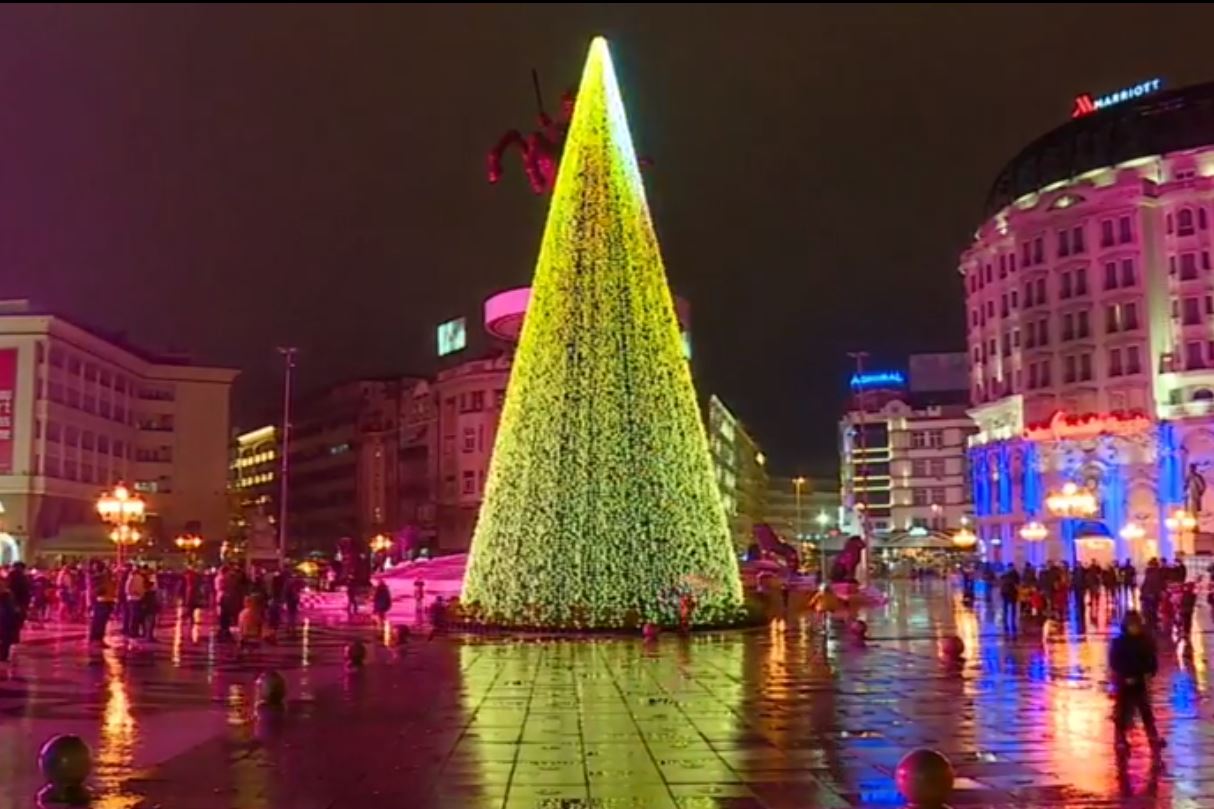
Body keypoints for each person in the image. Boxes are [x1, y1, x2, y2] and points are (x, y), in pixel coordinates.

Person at [1108, 611, 1165, 755]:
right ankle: (1120, 739)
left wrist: (1150, 672)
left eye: (1136, 625)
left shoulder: (1145, 641)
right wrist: (1124, 675)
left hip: (1140, 680)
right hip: (1125, 681)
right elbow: (1115, 661)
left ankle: (1153, 736)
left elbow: (1151, 659)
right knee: (1123, 711)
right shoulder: (1119, 642)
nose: (1134, 628)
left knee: (1145, 710)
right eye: (1131, 625)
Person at [1000, 567, 1020, 631]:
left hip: (1005, 593)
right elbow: (1017, 584)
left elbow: (1001, 583)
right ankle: (1012, 622)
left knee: (1005, 608)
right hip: (1012, 594)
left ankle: (1005, 622)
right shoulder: (1015, 577)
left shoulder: (1004, 576)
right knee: (1013, 609)